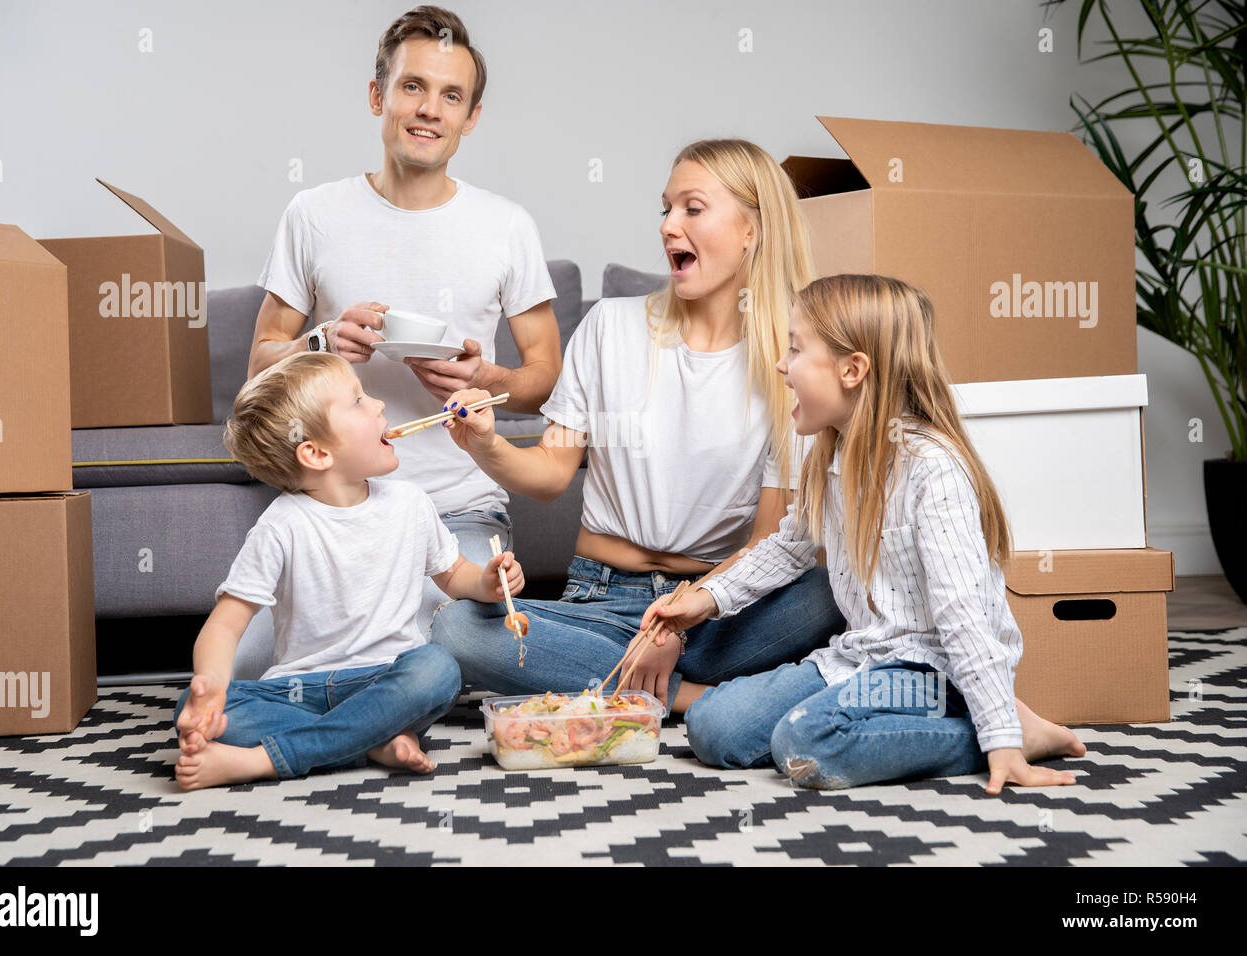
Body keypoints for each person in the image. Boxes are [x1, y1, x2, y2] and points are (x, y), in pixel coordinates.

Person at [432, 139, 846, 715]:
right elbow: (551, 474)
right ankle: (687, 697)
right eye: (665, 209)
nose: (668, 226)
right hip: (599, 599)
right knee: (456, 628)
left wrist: (676, 624)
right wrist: (487, 442)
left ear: (752, 229)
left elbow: (768, 543)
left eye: (692, 209)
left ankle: (625, 677)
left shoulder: (788, 363)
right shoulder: (611, 327)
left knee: (828, 592)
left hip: (712, 609)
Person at [641, 273, 1086, 794]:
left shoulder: (932, 469)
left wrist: (1000, 738)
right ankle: (964, 729)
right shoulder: (829, 454)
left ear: (852, 370)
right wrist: (706, 599)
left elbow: (963, 616)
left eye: (796, 349)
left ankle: (1006, 733)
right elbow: (789, 548)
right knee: (712, 727)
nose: (782, 366)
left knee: (806, 745)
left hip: (931, 675)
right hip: (858, 661)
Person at [246, 5, 561, 638]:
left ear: (470, 118)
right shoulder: (314, 213)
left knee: (440, 642)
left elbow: (544, 378)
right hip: (337, 503)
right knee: (255, 670)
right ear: (377, 95)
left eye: (452, 96)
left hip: (459, 510)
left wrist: (485, 373)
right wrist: (322, 341)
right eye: (412, 86)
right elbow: (260, 360)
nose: (429, 109)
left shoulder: (506, 225)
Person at [173, 352, 524, 790]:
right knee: (193, 705)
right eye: (358, 401)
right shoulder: (281, 526)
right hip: (298, 690)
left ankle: (265, 760)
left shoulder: (409, 502)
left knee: (436, 669)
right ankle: (369, 740)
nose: (378, 405)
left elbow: (453, 575)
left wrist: (488, 582)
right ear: (316, 452)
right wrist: (209, 686)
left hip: (386, 679)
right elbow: (226, 626)